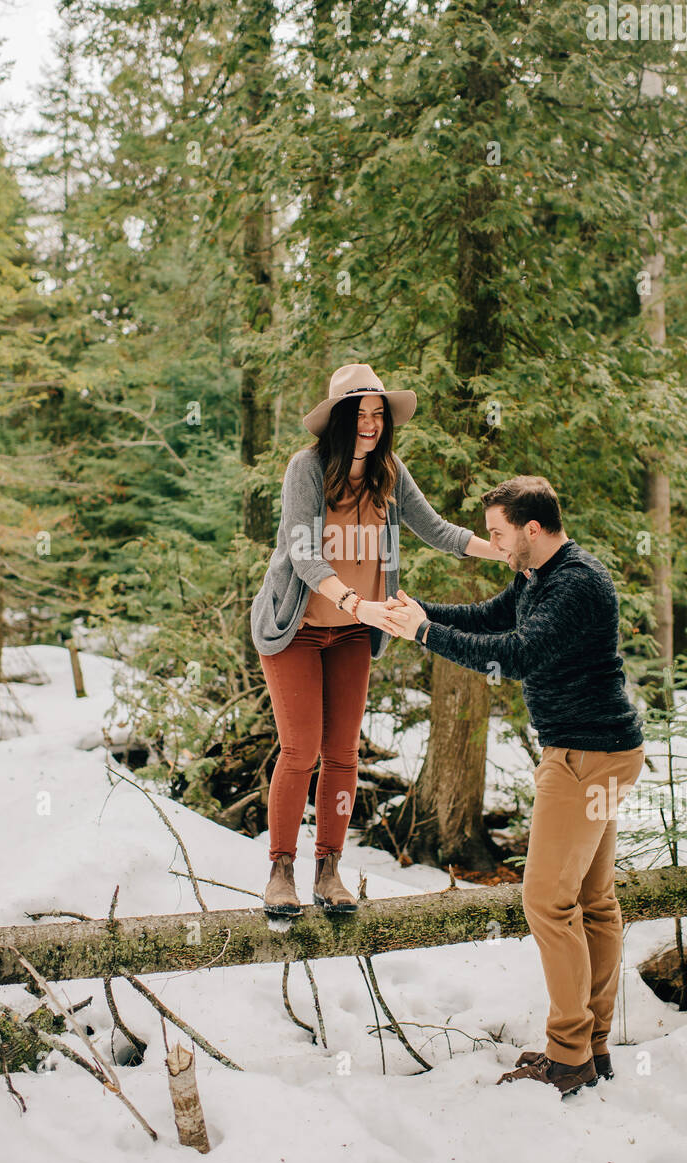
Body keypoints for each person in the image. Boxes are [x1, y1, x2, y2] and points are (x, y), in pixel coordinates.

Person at [386, 475, 645, 1097]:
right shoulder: (537, 576)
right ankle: (594, 1044)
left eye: (500, 534)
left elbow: (518, 654)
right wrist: (423, 614)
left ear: (533, 529)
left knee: (547, 903)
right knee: (592, 902)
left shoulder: (578, 583)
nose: (495, 544)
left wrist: (424, 636)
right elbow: (490, 618)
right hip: (604, 751)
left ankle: (569, 1053)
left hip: (586, 758)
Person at [250, 362, 499, 917]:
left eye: (377, 413)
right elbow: (302, 552)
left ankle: (330, 869)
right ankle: (280, 871)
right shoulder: (307, 468)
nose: (370, 423)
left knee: (341, 756)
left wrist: (504, 552)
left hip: (354, 634)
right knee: (300, 750)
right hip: (298, 627)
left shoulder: (389, 472)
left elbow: (436, 530)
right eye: (360, 413)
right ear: (340, 418)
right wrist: (353, 600)